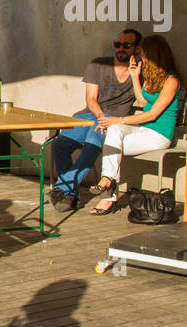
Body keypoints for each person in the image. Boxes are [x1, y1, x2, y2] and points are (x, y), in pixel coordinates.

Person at [50, 29, 142, 212]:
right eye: (118, 45)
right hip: (91, 114)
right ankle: (70, 192)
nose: (121, 49)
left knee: (93, 142)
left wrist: (135, 77)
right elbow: (91, 99)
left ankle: (63, 189)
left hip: (114, 120)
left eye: (127, 45)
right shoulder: (98, 65)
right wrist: (101, 117)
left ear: (137, 49)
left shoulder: (139, 71)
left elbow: (145, 100)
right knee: (60, 145)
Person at [90, 34, 182, 216]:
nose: (141, 57)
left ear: (154, 55)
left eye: (143, 53)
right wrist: (135, 76)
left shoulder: (172, 81)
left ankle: (108, 193)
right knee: (113, 133)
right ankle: (109, 180)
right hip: (144, 129)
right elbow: (142, 102)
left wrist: (118, 119)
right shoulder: (151, 77)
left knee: (111, 142)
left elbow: (153, 114)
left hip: (160, 135)